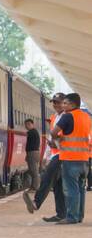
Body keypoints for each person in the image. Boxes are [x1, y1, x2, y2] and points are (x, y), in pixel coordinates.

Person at [24, 93, 67, 221]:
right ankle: (61, 214)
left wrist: (56, 145)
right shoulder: (54, 117)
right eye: (54, 102)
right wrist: (46, 156)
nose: (56, 105)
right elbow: (51, 137)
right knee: (58, 185)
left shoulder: (66, 117)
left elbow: (65, 137)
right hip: (55, 154)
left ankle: (36, 203)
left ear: (65, 103)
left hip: (62, 154)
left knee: (47, 177)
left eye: (58, 102)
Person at [52, 92, 91, 224]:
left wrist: (58, 138)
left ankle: (72, 217)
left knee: (71, 189)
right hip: (84, 159)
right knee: (80, 188)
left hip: (70, 158)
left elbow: (53, 132)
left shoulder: (68, 116)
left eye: (65, 103)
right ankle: (79, 216)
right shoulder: (87, 117)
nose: (63, 105)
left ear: (73, 104)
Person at [24, 118, 41, 190]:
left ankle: (35, 187)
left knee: (34, 171)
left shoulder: (33, 132)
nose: (27, 126)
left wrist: (11, 131)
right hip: (32, 153)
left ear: (32, 124)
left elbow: (23, 134)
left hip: (33, 153)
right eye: (26, 125)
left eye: (28, 124)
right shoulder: (33, 132)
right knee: (32, 170)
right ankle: (34, 186)